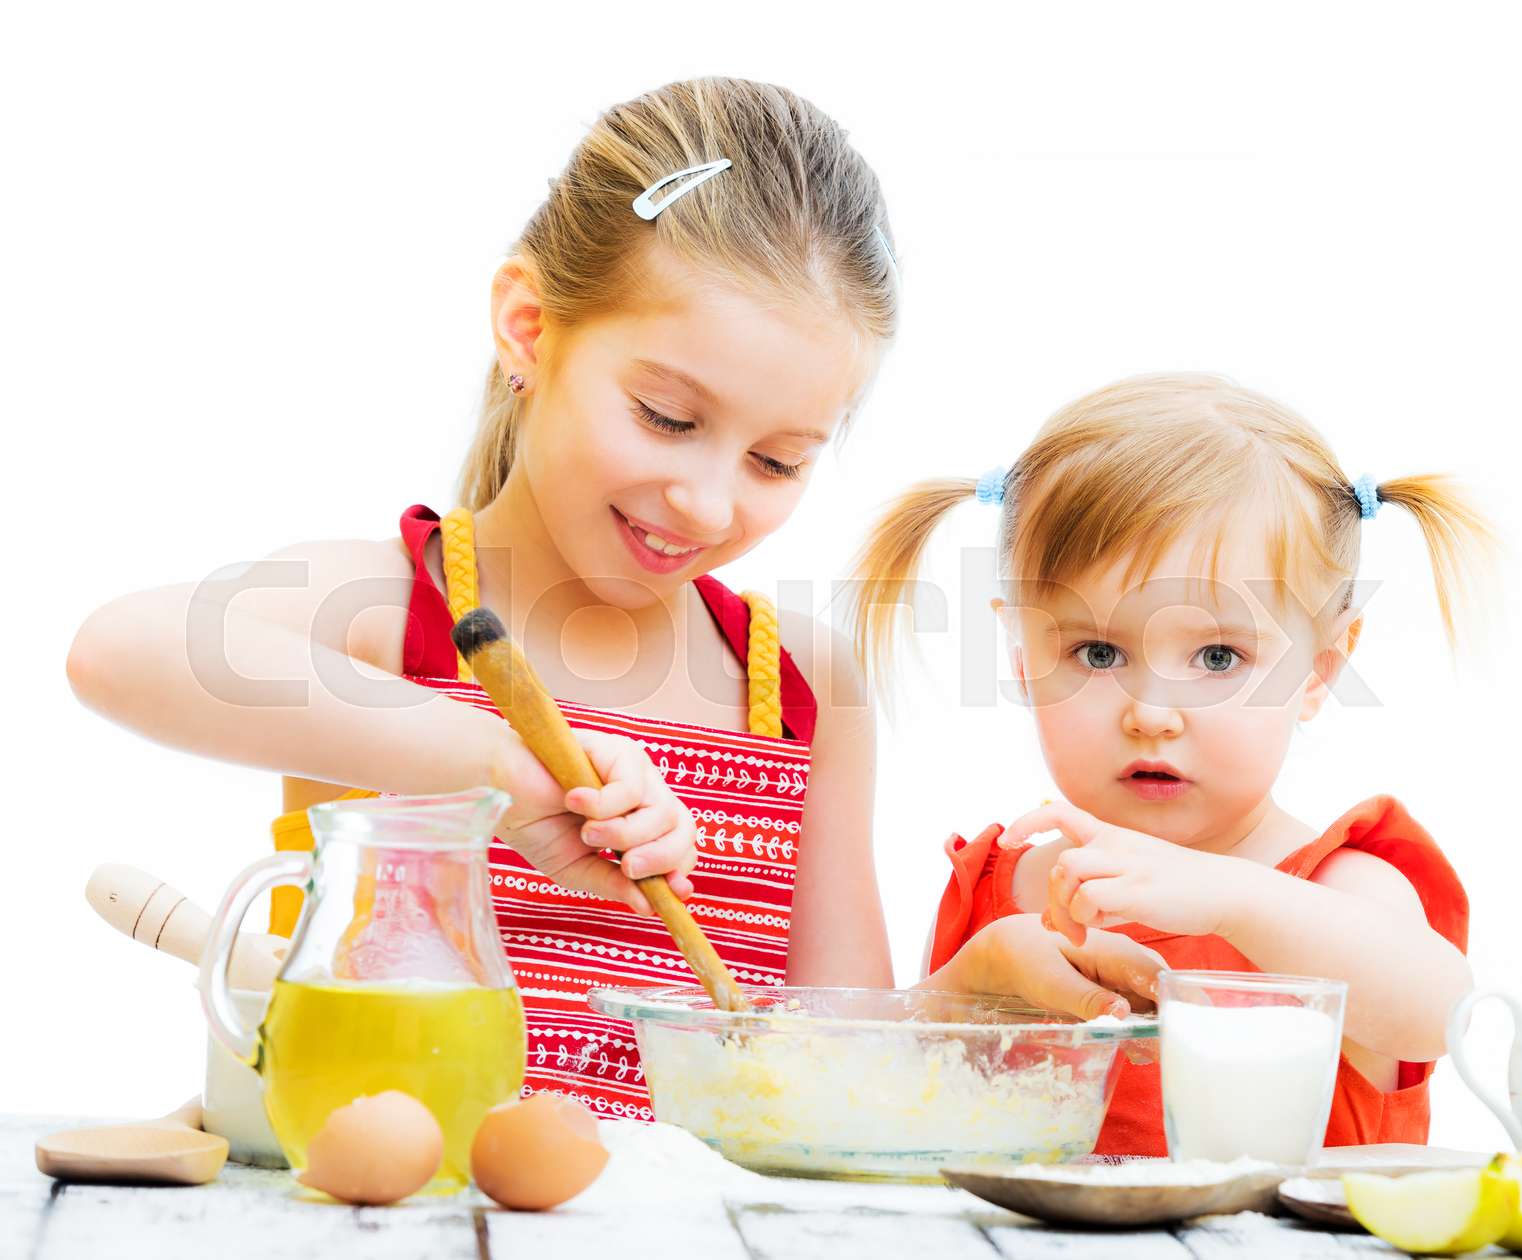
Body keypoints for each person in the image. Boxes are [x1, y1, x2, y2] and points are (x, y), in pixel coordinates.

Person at [66, 78, 1150, 1122]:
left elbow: (829, 1060)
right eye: (667, 418)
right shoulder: (382, 612)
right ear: (529, 327)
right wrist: (498, 761)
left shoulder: (801, 686)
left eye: (777, 462)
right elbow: (116, 651)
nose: (707, 499)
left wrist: (967, 996)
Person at [850, 372, 1491, 1152]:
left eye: (1219, 655)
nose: (1151, 712)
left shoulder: (1341, 889)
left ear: (1317, 670)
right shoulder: (999, 891)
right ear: (1020, 654)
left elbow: (1441, 1013)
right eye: (1097, 650)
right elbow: (887, 1106)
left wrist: (1229, 896)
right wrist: (956, 992)